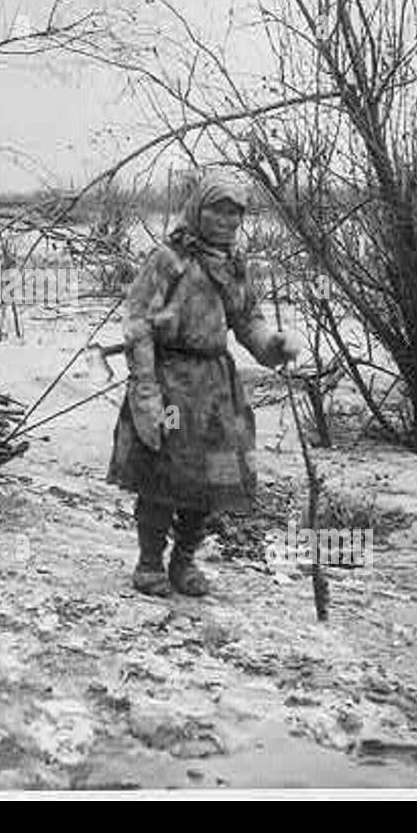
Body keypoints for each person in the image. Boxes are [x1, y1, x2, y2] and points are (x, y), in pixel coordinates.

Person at [107, 171, 302, 597]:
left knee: (213, 481)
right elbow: (137, 324)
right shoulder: (169, 260)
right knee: (163, 474)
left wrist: (273, 346)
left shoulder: (234, 264)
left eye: (236, 213)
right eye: (218, 210)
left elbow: (247, 319)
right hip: (170, 380)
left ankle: (184, 563)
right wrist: (145, 392)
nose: (227, 221)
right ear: (199, 209)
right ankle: (149, 563)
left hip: (216, 388)